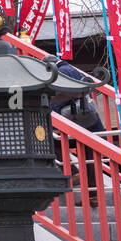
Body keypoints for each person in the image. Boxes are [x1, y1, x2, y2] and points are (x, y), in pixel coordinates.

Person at [43, 54, 103, 205]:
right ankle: (93, 196)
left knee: (49, 141)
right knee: (90, 160)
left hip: (75, 121)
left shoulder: (61, 73)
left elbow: (59, 99)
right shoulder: (73, 70)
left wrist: (53, 120)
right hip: (90, 123)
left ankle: (74, 172)